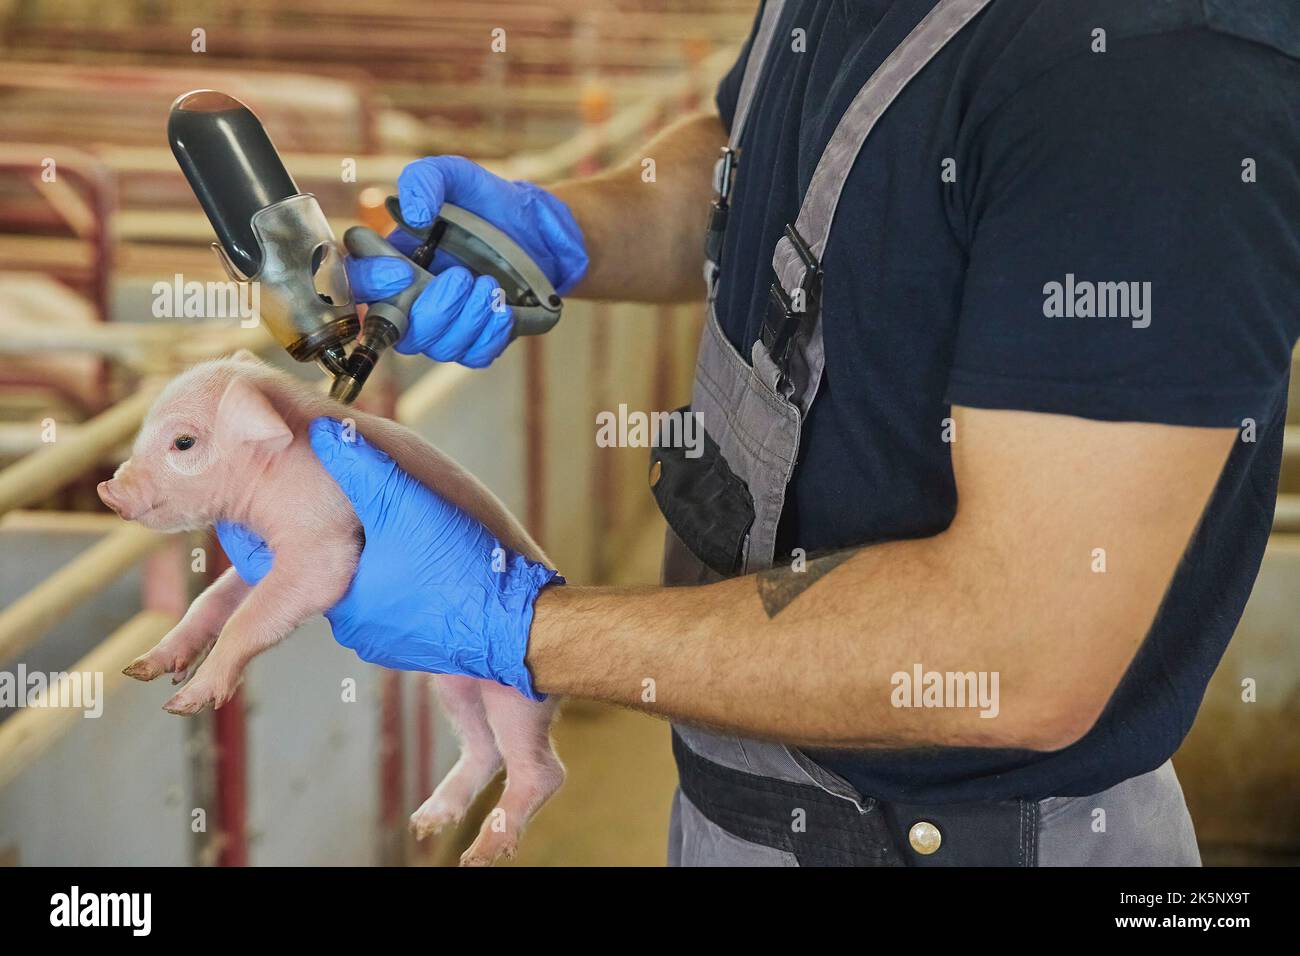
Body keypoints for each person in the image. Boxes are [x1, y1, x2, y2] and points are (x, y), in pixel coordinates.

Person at [219, 0, 1300, 865]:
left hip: (955, 840)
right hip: (748, 802)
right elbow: (759, 158)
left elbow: (1018, 654)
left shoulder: (1156, 77)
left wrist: (523, 626)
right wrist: (558, 229)